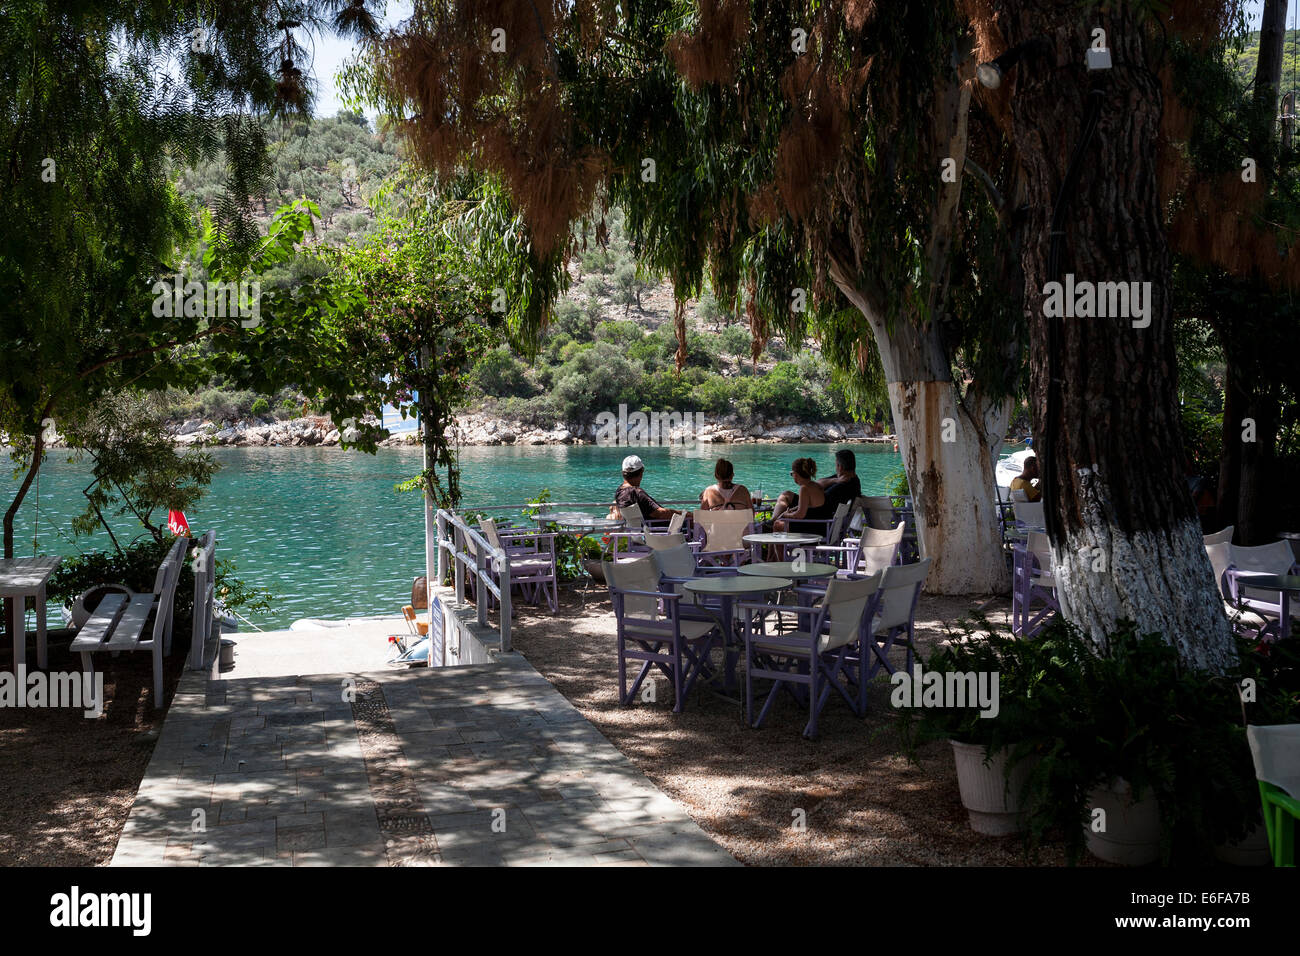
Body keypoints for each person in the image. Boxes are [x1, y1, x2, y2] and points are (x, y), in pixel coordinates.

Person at [612, 454, 680, 522]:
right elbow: (659, 514)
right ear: (641, 472)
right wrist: (682, 514)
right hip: (655, 529)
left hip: (636, 529)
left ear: (623, 473)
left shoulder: (619, 491)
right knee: (688, 520)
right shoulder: (637, 493)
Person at [772, 457, 833, 532]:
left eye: (792, 474)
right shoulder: (816, 485)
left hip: (813, 528)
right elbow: (808, 507)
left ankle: (773, 543)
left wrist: (786, 515)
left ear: (796, 474)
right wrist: (792, 510)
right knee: (780, 523)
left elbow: (800, 515)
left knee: (777, 525)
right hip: (821, 525)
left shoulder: (804, 488)